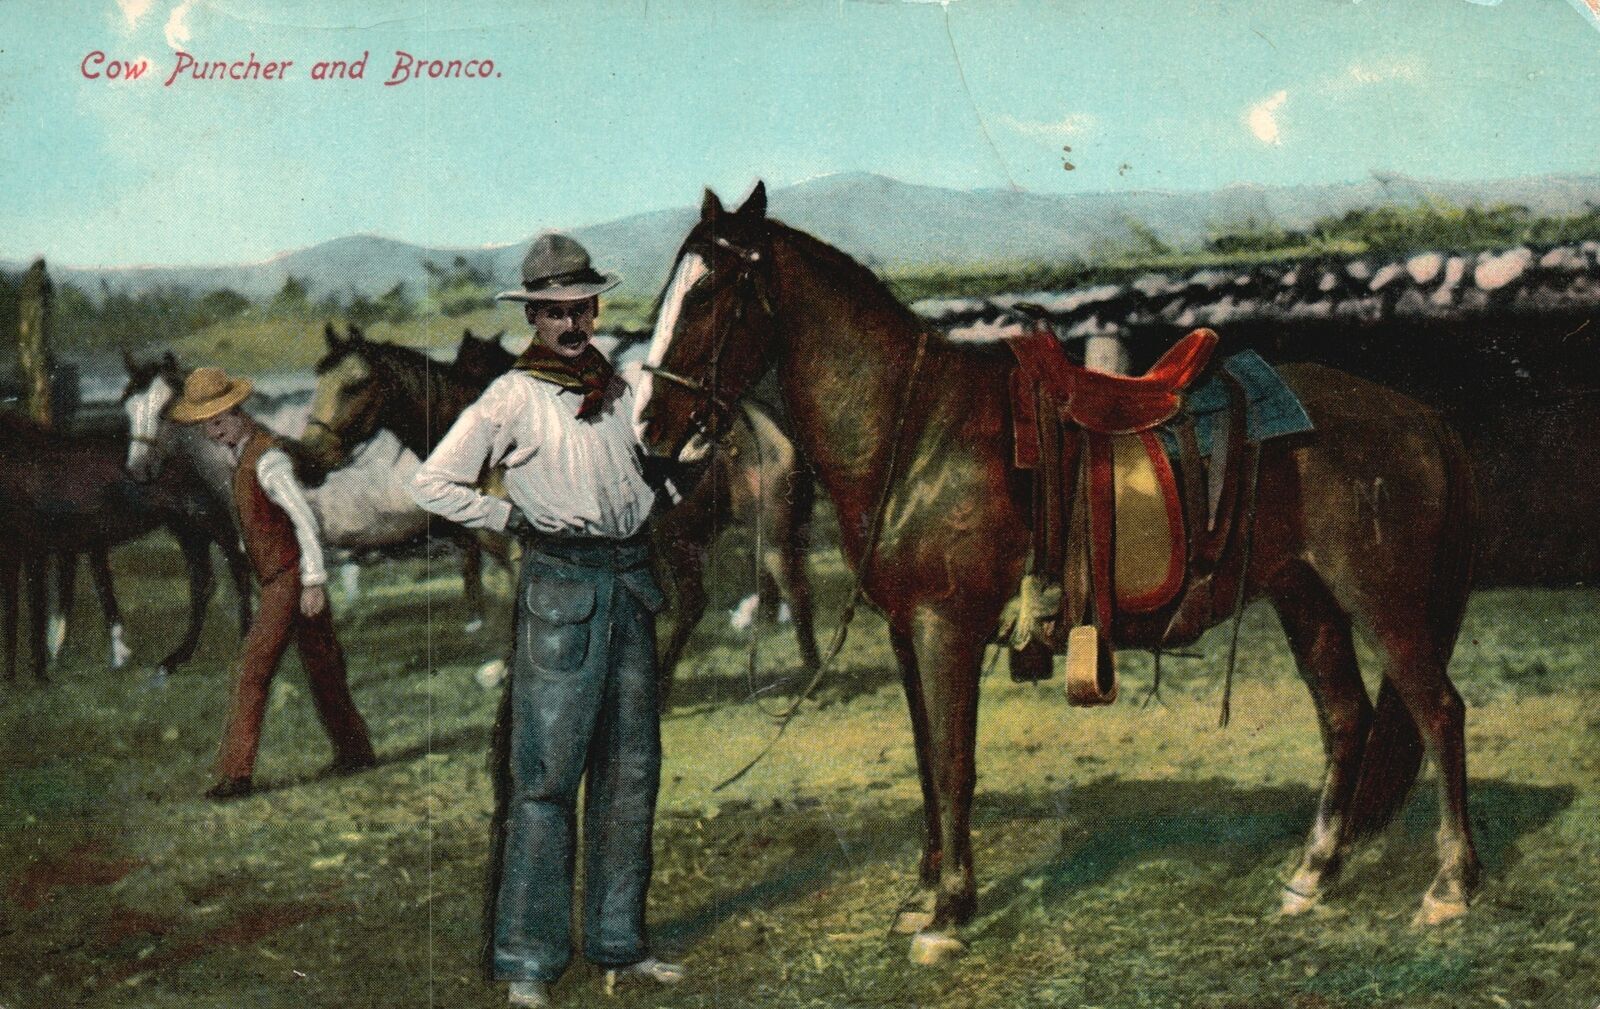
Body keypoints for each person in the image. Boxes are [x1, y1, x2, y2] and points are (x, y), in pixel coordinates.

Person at [411, 233, 683, 1008]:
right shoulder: (511, 395)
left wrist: (668, 487)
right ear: (532, 314)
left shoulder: (623, 386)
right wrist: (510, 518)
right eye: (557, 311)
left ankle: (619, 946)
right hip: (561, 589)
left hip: (631, 585)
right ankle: (527, 961)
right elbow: (433, 483)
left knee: (632, 774)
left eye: (583, 307)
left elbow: (640, 477)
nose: (573, 322)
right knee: (546, 777)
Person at [169, 367, 376, 801]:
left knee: (252, 671)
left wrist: (313, 581)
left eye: (218, 421)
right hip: (281, 575)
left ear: (236, 412)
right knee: (324, 667)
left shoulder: (268, 458)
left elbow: (304, 520)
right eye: (205, 426)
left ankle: (236, 776)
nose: (213, 431)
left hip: (289, 579)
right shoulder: (242, 454)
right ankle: (356, 752)